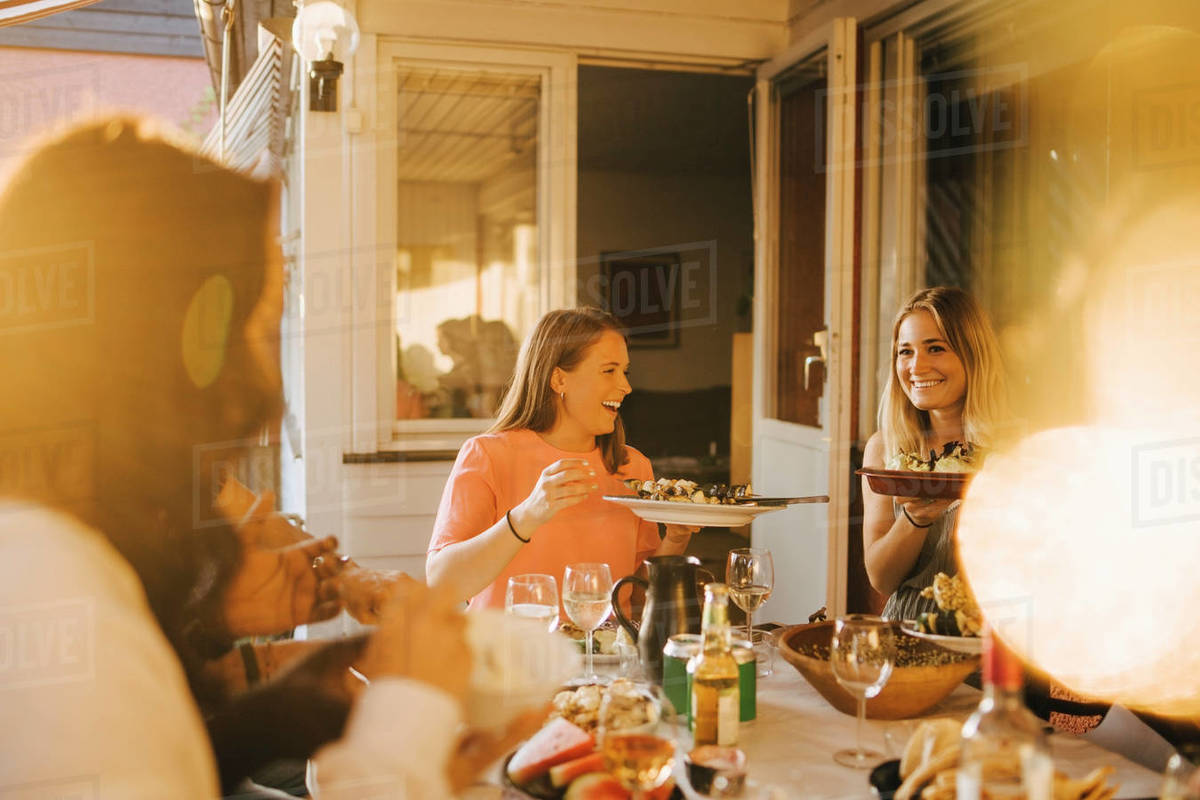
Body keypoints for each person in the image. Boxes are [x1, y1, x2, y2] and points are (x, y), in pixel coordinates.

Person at [0, 116, 534, 799]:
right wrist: (404, 735)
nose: (271, 390)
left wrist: (272, 705)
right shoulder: (52, 594)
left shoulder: (57, 550)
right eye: (264, 325)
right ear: (187, 345)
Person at [426, 307, 697, 609]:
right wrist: (528, 514)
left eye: (625, 371)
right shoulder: (488, 455)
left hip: (602, 653)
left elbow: (637, 596)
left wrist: (675, 538)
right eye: (609, 370)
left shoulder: (632, 467)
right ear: (558, 379)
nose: (626, 386)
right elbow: (442, 583)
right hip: (507, 652)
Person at [861, 286, 1008, 621]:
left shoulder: (1013, 449)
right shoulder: (885, 449)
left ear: (973, 355)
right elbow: (882, 578)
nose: (917, 366)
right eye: (905, 351)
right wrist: (916, 518)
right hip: (908, 633)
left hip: (992, 638)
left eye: (936, 348)